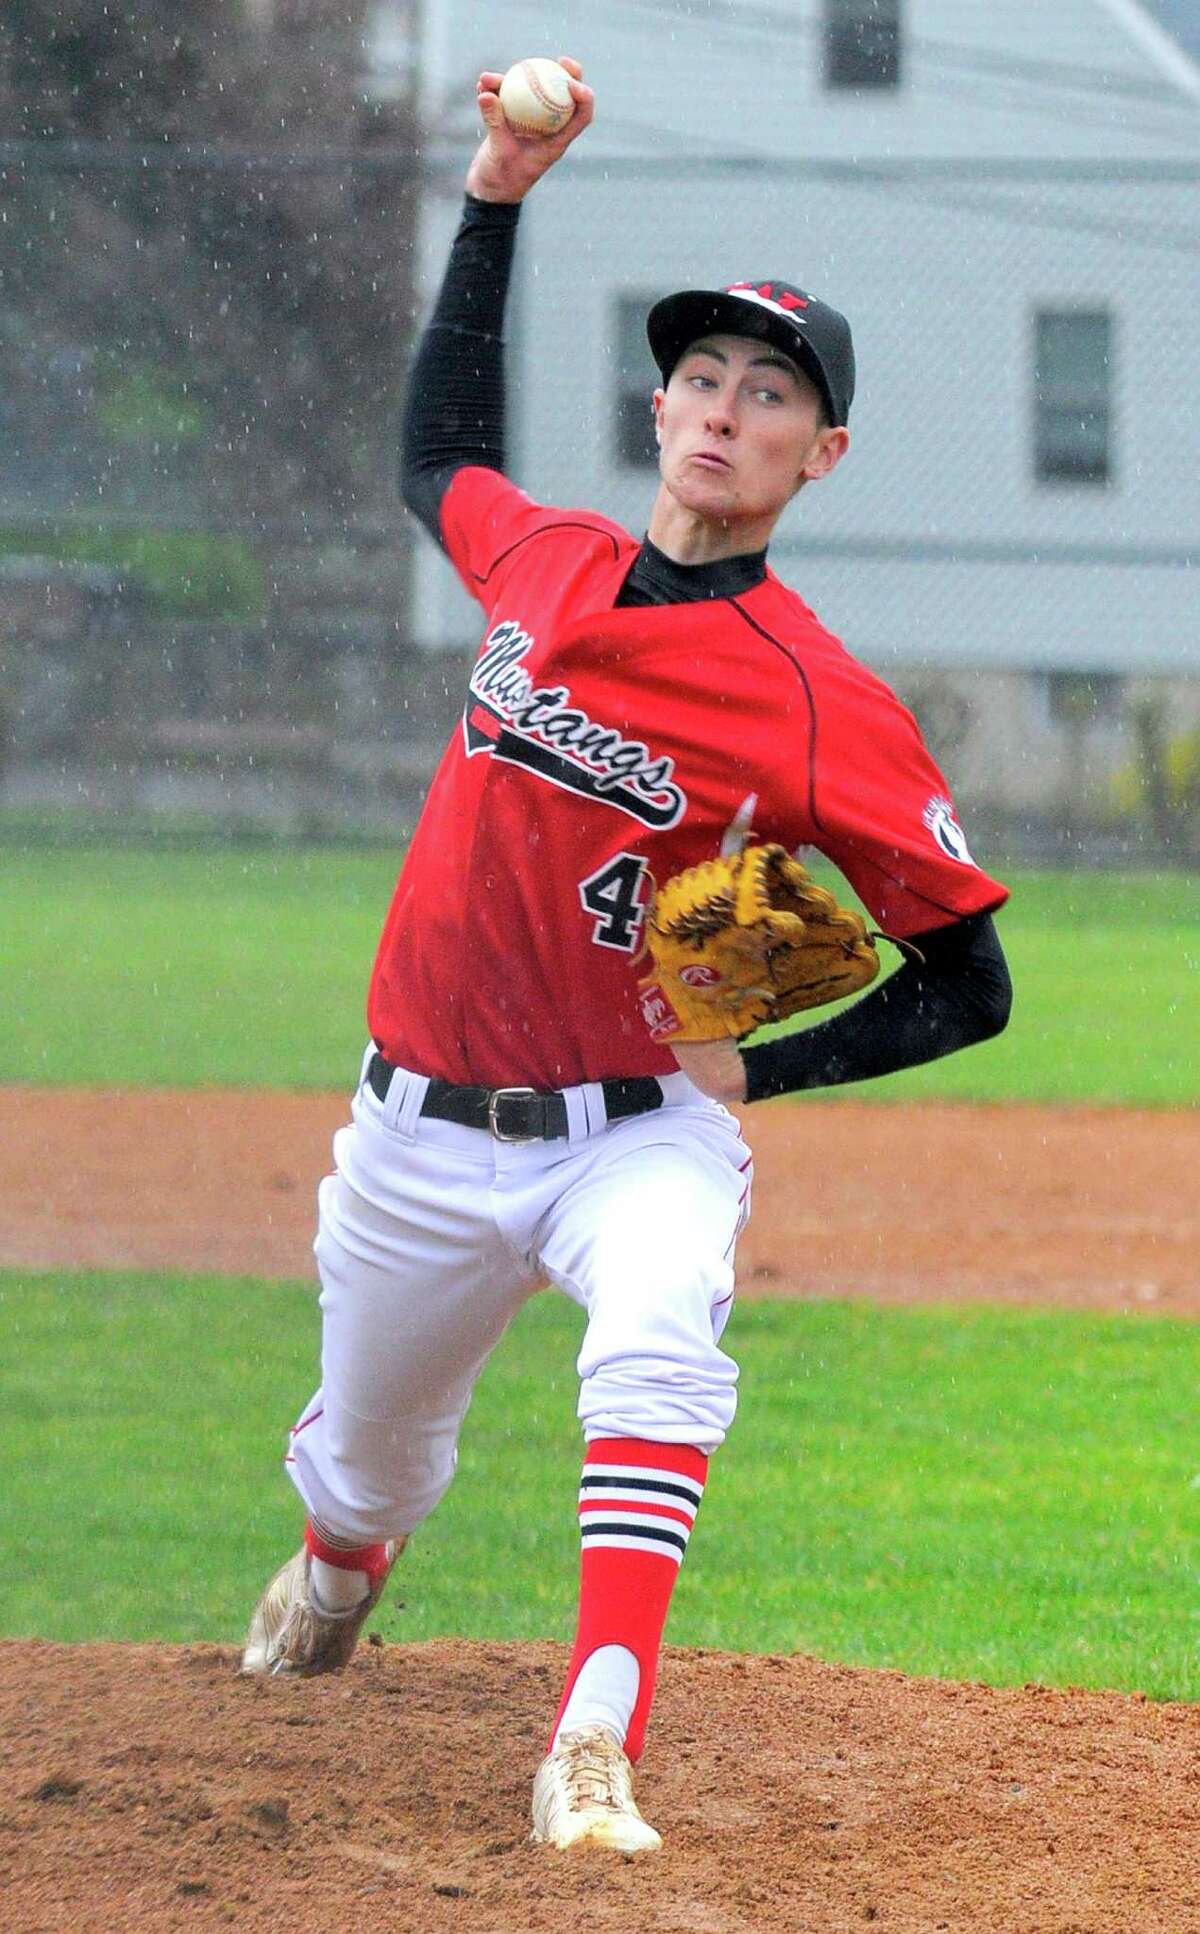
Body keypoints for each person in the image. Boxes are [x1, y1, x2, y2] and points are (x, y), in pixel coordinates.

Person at [241, 59, 1012, 1855]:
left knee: (661, 1336)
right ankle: (342, 1566)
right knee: (365, 1471)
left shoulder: (822, 701)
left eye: (771, 393)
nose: (723, 409)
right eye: (704, 377)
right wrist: (499, 193)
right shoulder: (546, 562)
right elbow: (437, 448)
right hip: (419, 1132)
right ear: (661, 406)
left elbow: (969, 974)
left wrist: (769, 1065)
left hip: (633, 1126)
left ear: (819, 455)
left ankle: (598, 1730)